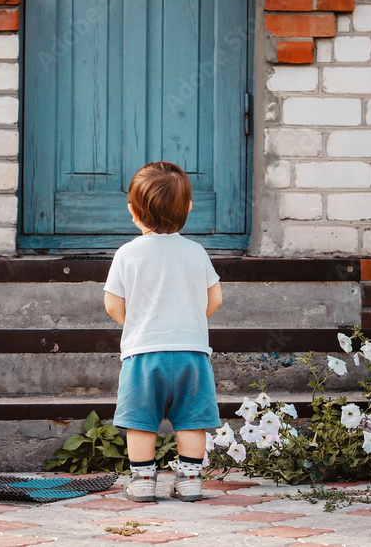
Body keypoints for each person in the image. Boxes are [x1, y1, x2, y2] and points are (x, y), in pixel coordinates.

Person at [103, 161, 223, 503]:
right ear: (188, 207)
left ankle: (143, 482)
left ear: (133, 211)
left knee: (141, 422)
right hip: (191, 354)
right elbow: (215, 298)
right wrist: (188, 318)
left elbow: (113, 305)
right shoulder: (196, 252)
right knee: (191, 421)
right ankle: (190, 481)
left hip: (144, 354)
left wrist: (141, 323)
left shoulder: (127, 254)